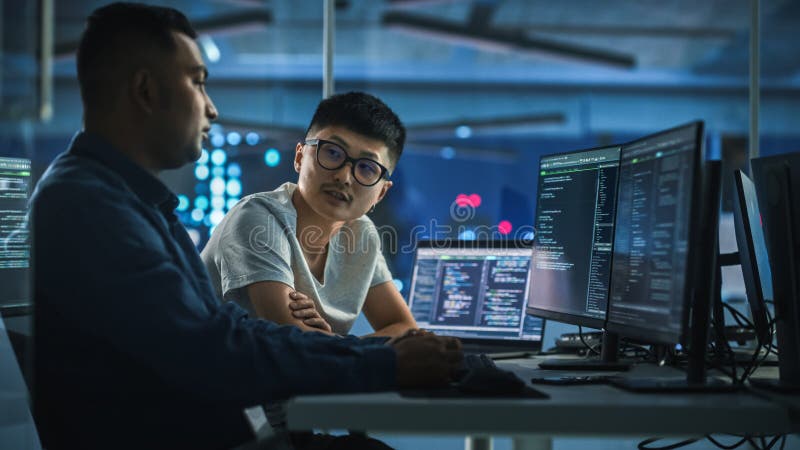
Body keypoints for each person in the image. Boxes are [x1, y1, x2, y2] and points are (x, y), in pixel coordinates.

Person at [30, 3, 462, 449]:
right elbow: (217, 350)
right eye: (198, 83)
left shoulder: (136, 205)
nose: (212, 109)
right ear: (145, 91)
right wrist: (383, 362)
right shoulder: (91, 209)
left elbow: (225, 330)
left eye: (366, 169)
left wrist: (366, 351)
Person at [201, 92, 416, 338]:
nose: (344, 177)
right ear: (300, 157)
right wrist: (323, 342)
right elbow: (291, 343)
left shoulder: (361, 233)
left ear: (380, 194)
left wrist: (327, 341)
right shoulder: (257, 219)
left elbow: (405, 328)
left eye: (367, 168)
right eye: (333, 153)